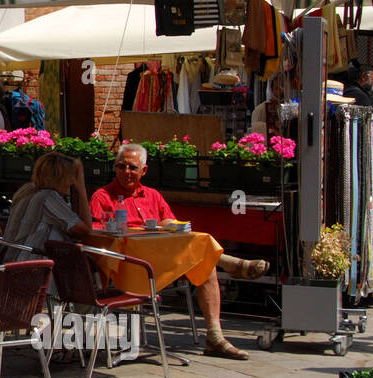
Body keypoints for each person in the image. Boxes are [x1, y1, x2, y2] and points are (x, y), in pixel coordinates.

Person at [89, 142, 264, 360]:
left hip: (163, 262)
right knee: (204, 257)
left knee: (205, 263)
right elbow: (95, 231)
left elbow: (170, 221)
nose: (126, 172)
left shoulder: (153, 195)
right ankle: (233, 264)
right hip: (129, 263)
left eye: (132, 168)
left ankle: (215, 337)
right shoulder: (102, 196)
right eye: (121, 166)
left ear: (143, 170)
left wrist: (168, 225)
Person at [1, 152, 98, 255]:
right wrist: (81, 189)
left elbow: (73, 229)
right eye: (72, 176)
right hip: (30, 265)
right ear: (60, 177)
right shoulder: (48, 198)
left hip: (11, 259)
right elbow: (85, 230)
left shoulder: (28, 190)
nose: (73, 181)